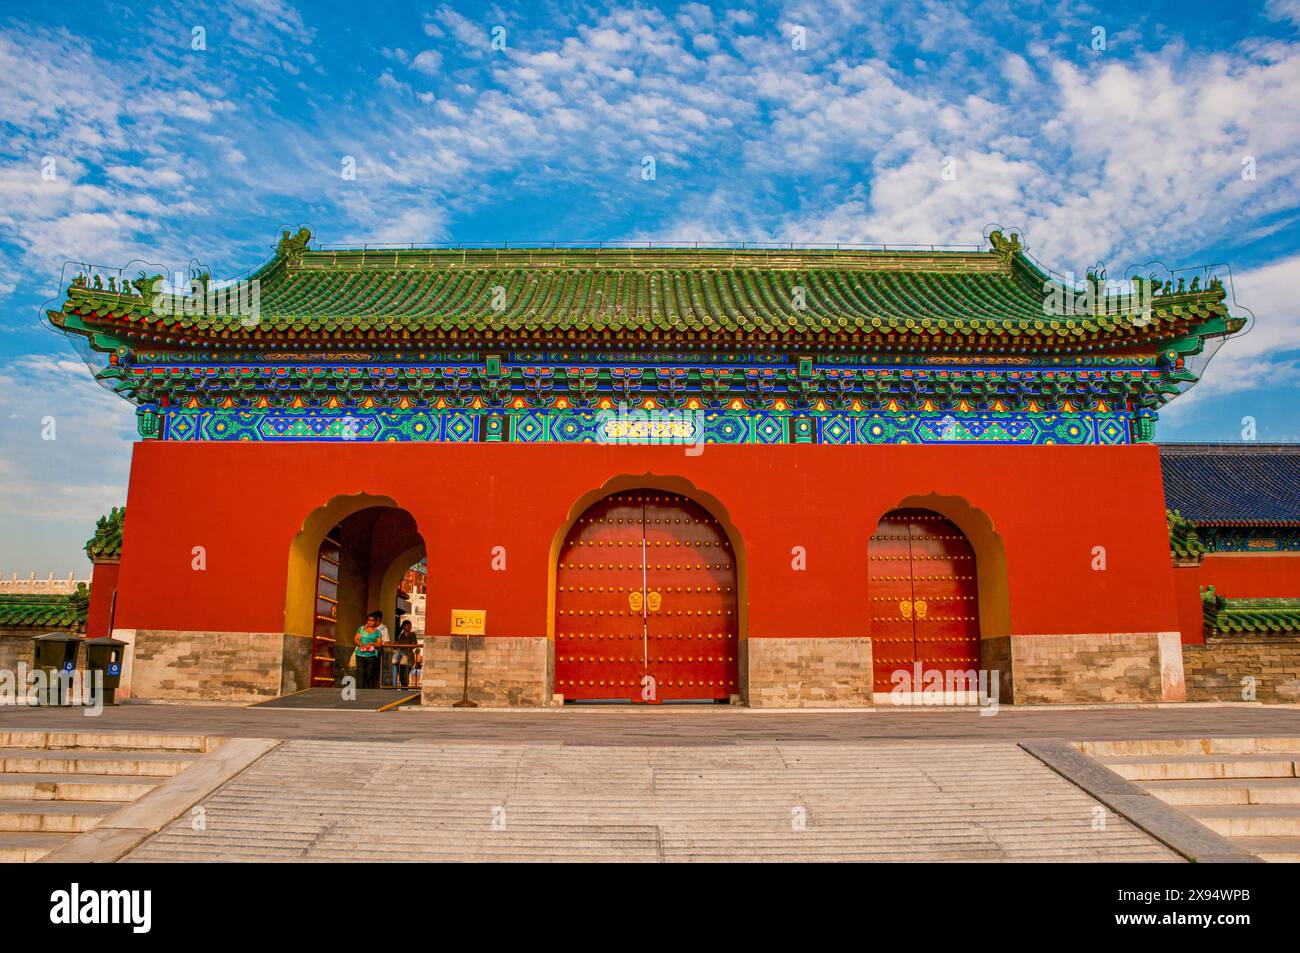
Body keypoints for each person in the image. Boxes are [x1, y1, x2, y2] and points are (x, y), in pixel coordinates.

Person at [354, 611, 387, 690]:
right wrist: (361, 644)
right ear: (366, 621)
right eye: (369, 620)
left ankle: (367, 690)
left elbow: (379, 644)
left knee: (369, 673)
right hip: (360, 654)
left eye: (372, 620)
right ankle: (359, 689)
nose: (370, 622)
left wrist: (372, 643)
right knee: (360, 672)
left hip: (371, 655)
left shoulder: (378, 632)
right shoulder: (361, 629)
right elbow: (355, 639)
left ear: (375, 622)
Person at [392, 619, 417, 689]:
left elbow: (413, 645)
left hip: (408, 657)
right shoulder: (400, 635)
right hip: (400, 656)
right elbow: (396, 645)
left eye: (410, 625)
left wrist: (402, 645)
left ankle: (405, 689)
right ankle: (402, 687)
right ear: (403, 626)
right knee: (401, 675)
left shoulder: (413, 634)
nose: (409, 627)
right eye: (407, 625)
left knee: (406, 674)